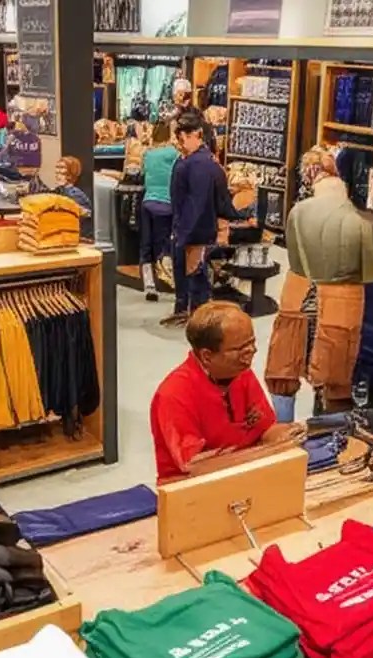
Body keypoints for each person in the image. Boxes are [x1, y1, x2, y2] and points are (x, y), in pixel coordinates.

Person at [264, 146, 373, 418]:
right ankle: (324, 442)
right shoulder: (362, 220)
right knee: (334, 380)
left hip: (298, 295)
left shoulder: (298, 213)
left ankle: (284, 436)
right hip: (338, 302)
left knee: (285, 367)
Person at [150, 302, 295, 483]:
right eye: (240, 349)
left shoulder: (241, 372)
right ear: (206, 356)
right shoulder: (173, 395)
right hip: (192, 489)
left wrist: (288, 436)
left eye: (252, 344)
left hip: (245, 474)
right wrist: (255, 455)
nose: (251, 352)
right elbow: (197, 465)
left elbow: (265, 430)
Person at [163, 111, 238, 327]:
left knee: (194, 274)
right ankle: (188, 311)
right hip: (193, 228)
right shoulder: (206, 164)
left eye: (182, 137)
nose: (179, 143)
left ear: (196, 134)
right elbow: (220, 202)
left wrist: (183, 233)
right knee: (190, 273)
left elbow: (198, 204)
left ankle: (198, 317)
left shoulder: (195, 165)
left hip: (192, 230)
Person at [141, 122, 181, 302]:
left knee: (146, 245)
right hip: (167, 205)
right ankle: (168, 277)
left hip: (148, 202)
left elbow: (142, 174)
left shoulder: (147, 154)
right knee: (166, 244)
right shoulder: (174, 153)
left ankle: (149, 285)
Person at [53, 156, 93, 240]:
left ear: (70, 174)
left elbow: (86, 215)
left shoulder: (75, 194)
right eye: (57, 171)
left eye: (62, 172)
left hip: (81, 236)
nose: (58, 173)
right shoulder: (60, 191)